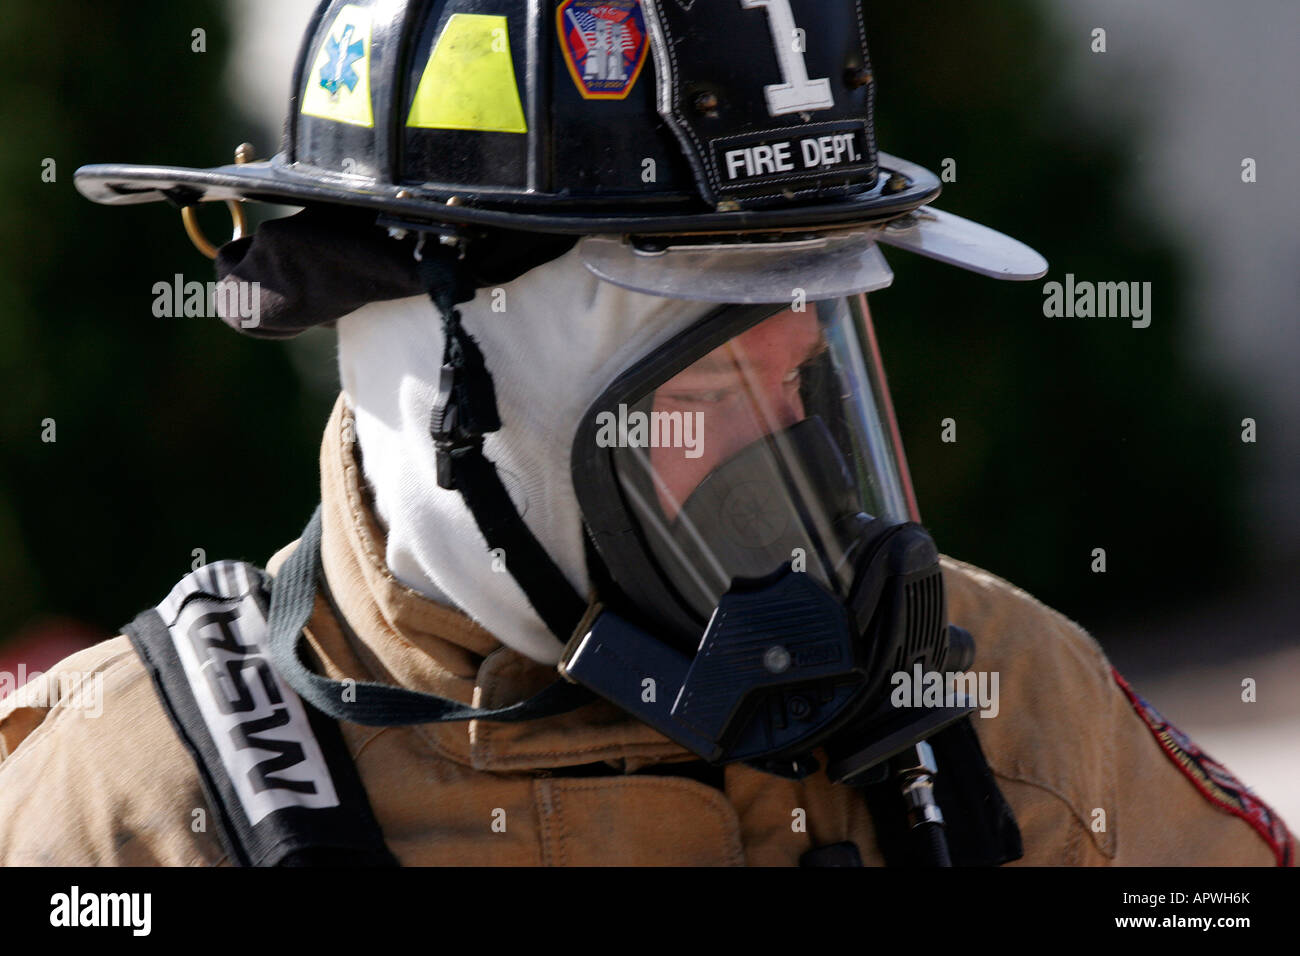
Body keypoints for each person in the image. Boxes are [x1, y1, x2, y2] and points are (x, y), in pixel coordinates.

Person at [0, 0, 1291, 867]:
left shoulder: (998, 708)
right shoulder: (127, 814)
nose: (797, 465)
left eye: (812, 379)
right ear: (462, 404)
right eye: (720, 390)